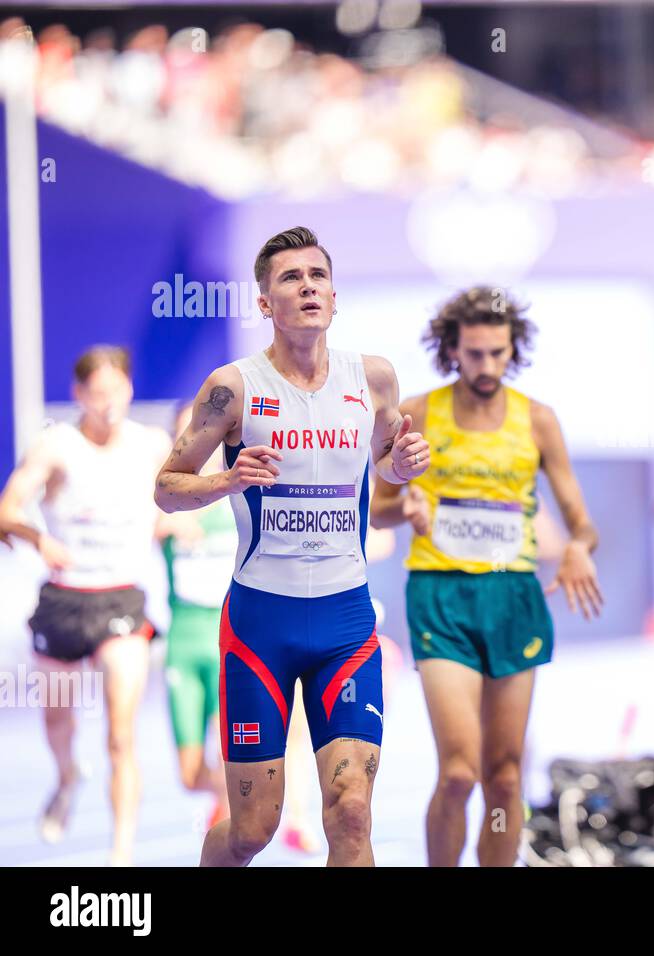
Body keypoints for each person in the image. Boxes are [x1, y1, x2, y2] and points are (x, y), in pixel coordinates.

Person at [154, 226, 430, 867]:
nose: (307, 287)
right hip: (260, 626)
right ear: (264, 302)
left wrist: (401, 465)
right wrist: (227, 479)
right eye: (290, 278)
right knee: (253, 829)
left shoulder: (374, 378)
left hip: (345, 623)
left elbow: (385, 459)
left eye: (317, 276)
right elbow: (166, 489)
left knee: (352, 813)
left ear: (334, 296)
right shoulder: (233, 387)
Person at [369, 286, 602, 867]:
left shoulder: (538, 420)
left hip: (512, 597)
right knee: (458, 771)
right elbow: (377, 508)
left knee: (504, 776)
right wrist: (405, 509)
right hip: (440, 595)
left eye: (498, 353)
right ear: (451, 350)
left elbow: (581, 523)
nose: (487, 366)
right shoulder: (418, 413)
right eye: (474, 354)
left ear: (513, 350)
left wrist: (578, 549)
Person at [0, 345, 172, 866]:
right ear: (78, 394)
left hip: (122, 599)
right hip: (64, 599)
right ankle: (67, 775)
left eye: (116, 391)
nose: (108, 404)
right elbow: (7, 508)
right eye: (97, 394)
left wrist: (177, 521)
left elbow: (182, 495)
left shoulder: (151, 444)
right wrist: (37, 537)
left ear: (130, 389)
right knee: (58, 721)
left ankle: (122, 854)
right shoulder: (56, 446)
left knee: (121, 736)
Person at [156, 405, 239, 828]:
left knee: (232, 757)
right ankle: (230, 801)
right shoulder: (164, 502)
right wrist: (166, 523)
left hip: (230, 638)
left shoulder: (238, 493)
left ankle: (235, 821)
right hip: (184, 641)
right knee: (189, 776)